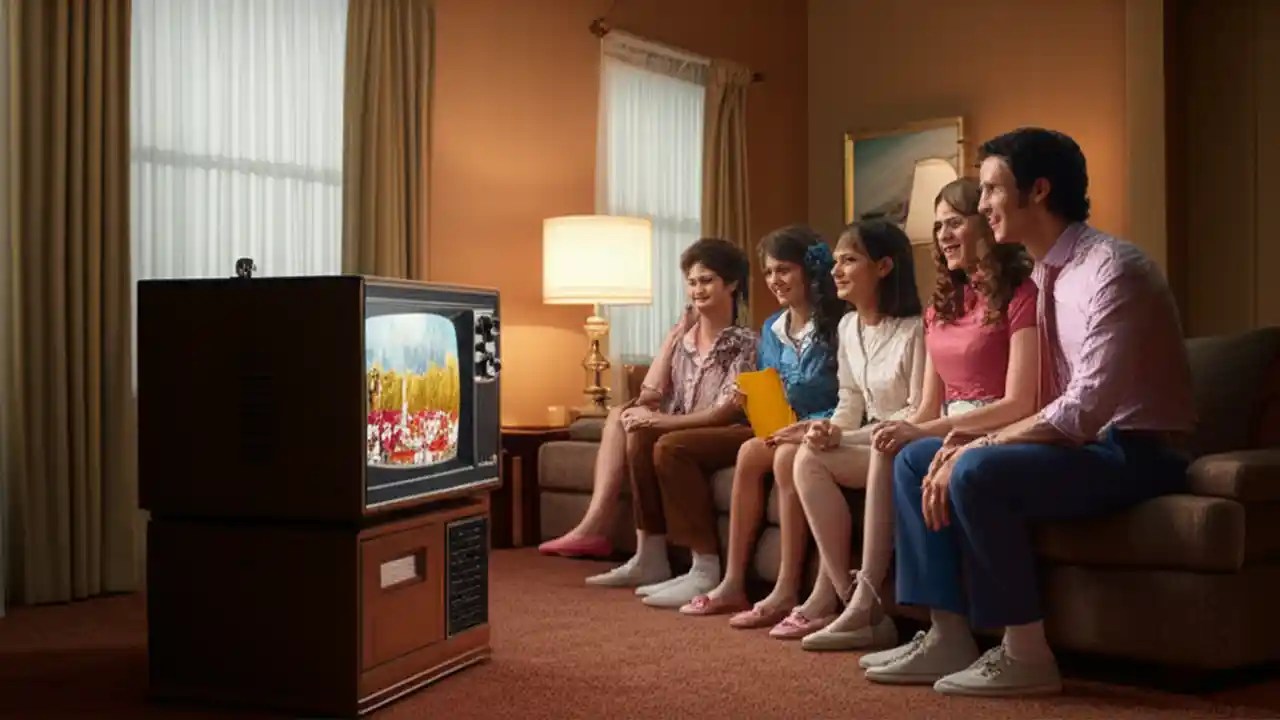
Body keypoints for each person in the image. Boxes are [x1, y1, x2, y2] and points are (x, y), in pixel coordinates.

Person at [863, 128, 1196, 696]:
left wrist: (983, 444)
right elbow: (1051, 407)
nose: (983, 202)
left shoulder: (1112, 270)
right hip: (1085, 445)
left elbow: (1084, 410)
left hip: (1138, 450)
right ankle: (946, 634)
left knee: (974, 468)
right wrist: (963, 436)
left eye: (992, 188)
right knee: (917, 458)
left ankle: (1025, 653)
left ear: (1037, 191)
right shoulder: (1044, 274)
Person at [797, 177, 1039, 653]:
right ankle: (859, 603)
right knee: (816, 456)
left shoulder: (1020, 296)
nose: (944, 235)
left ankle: (872, 607)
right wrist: (904, 429)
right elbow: (929, 406)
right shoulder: (940, 309)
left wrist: (915, 430)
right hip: (945, 424)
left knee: (898, 451)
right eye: (938, 225)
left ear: (987, 224)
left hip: (997, 427)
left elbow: (1018, 404)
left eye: (955, 222)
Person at [656, 226, 846, 616]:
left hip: (825, 425)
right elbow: (772, 388)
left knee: (780, 458)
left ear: (810, 271)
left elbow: (849, 393)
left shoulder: (838, 325)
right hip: (783, 426)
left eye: (785, 270)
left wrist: (810, 425)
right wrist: (754, 401)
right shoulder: (773, 329)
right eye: (770, 272)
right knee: (748, 451)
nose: (775, 281)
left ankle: (786, 588)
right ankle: (733, 584)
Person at [753, 218, 926, 640]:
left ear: (883, 267)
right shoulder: (848, 327)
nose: (835, 272)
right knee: (806, 456)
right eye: (834, 261)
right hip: (871, 439)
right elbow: (850, 401)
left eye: (849, 260)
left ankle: (846, 603)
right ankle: (846, 597)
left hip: (904, 444)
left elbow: (917, 413)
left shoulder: (917, 329)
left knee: (812, 457)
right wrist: (824, 428)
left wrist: (842, 437)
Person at [579, 237, 759, 591]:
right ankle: (651, 556)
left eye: (706, 280)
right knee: (640, 431)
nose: (697, 290)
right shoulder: (684, 341)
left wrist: (662, 421)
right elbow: (649, 394)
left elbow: (724, 414)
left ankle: (705, 568)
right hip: (687, 427)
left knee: (668, 444)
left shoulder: (745, 343)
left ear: (732, 284)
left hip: (729, 432)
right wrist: (672, 338)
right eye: (692, 282)